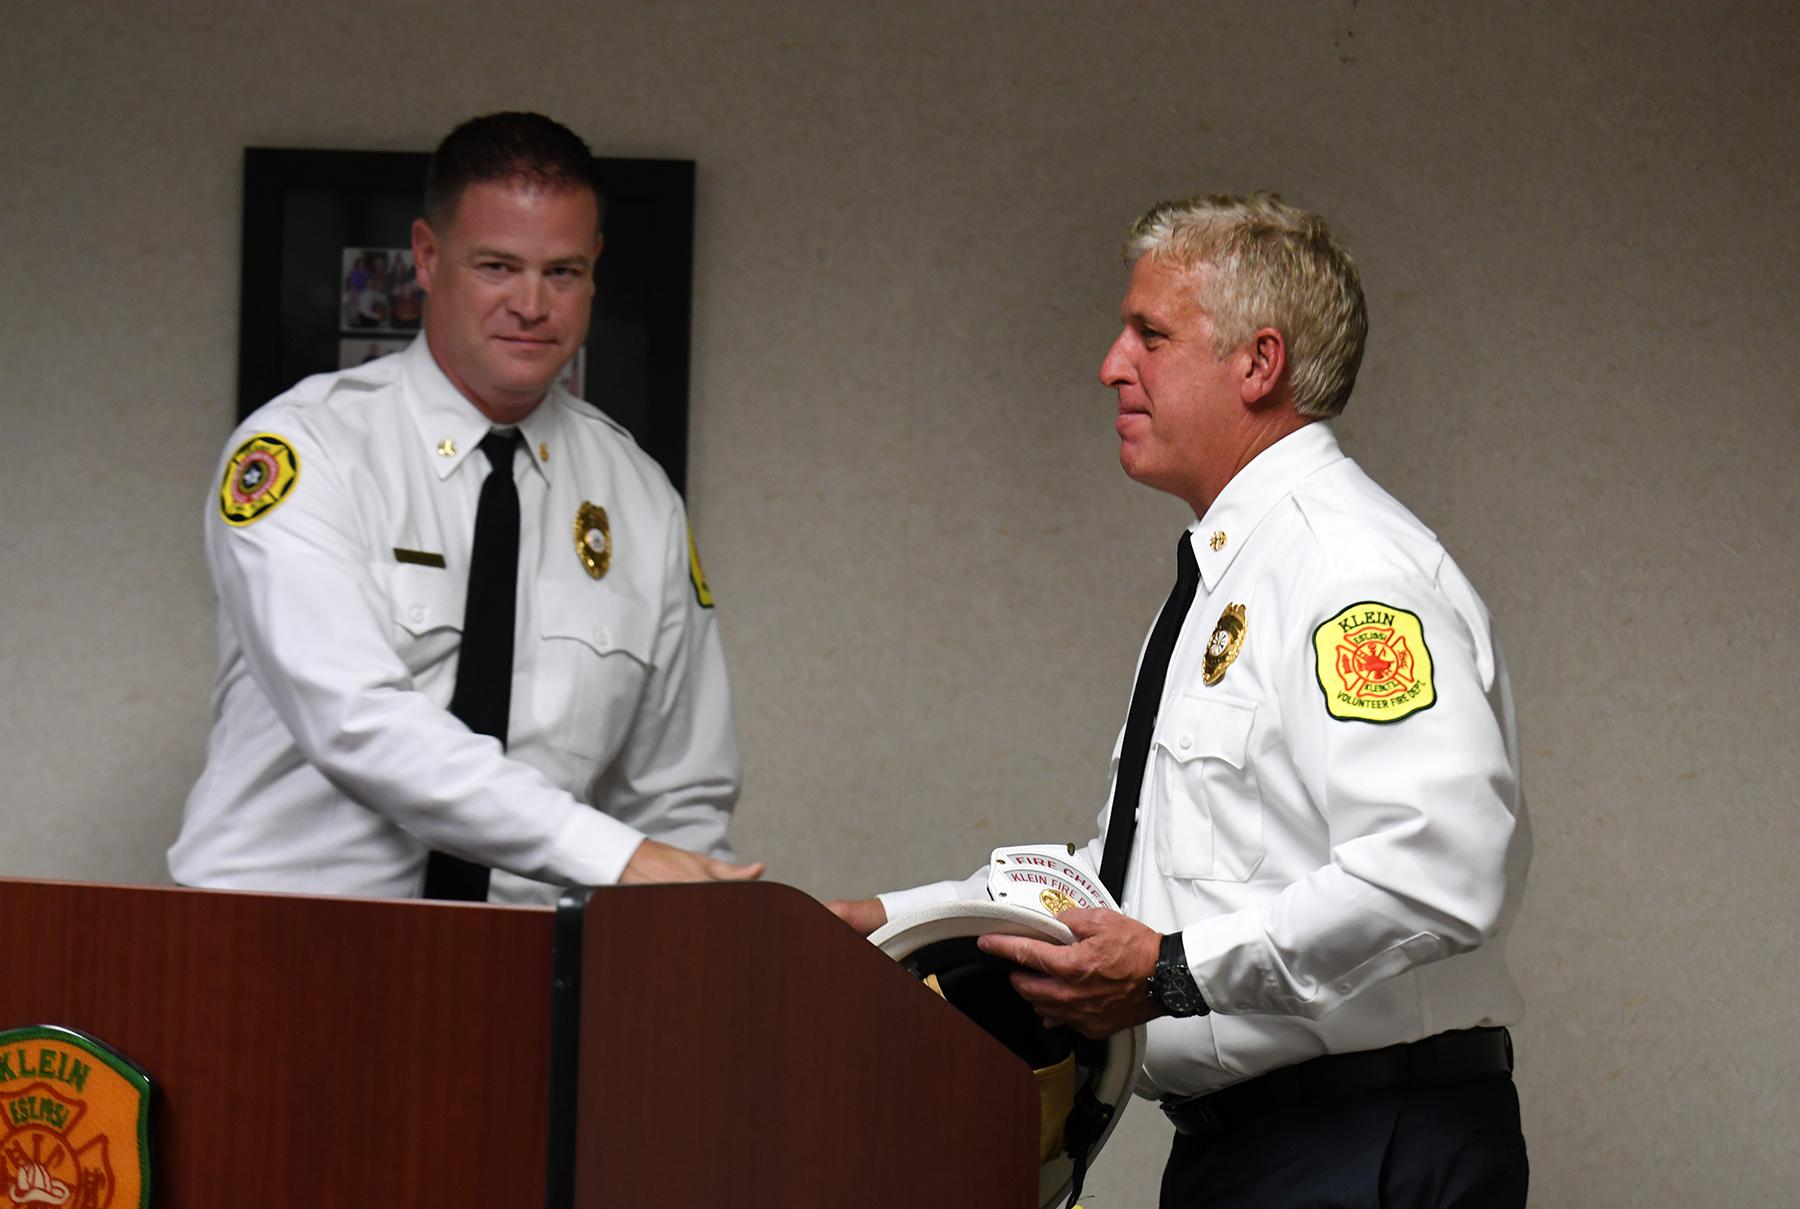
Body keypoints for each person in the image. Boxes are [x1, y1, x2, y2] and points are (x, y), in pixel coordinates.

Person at [833, 194, 1530, 1207]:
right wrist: (893, 924)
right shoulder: (1236, 574)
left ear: (1258, 364)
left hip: (1362, 1147)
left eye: (1150, 335)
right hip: (1251, 1151)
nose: (1112, 364)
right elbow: (1142, 887)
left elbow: (1437, 869)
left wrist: (1168, 973)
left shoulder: (1349, 573)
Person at [170, 112, 760, 903]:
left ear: (595, 273)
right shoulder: (304, 451)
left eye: (562, 271)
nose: (530, 303)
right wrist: (610, 854)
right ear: (425, 255)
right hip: (283, 945)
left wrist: (685, 934)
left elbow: (678, 798)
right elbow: (357, 720)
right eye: (496, 265)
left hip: (529, 972)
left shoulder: (639, 496)